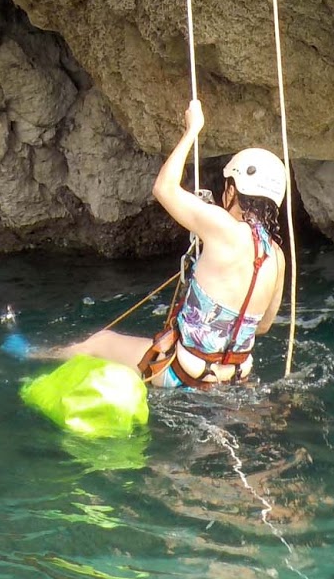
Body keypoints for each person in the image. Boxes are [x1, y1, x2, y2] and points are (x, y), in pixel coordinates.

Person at [54, 99, 287, 389]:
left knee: (98, 343)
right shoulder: (277, 255)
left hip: (182, 372)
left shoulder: (223, 226)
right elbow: (262, 326)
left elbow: (163, 188)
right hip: (235, 377)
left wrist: (192, 130)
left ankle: (31, 357)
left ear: (231, 189)